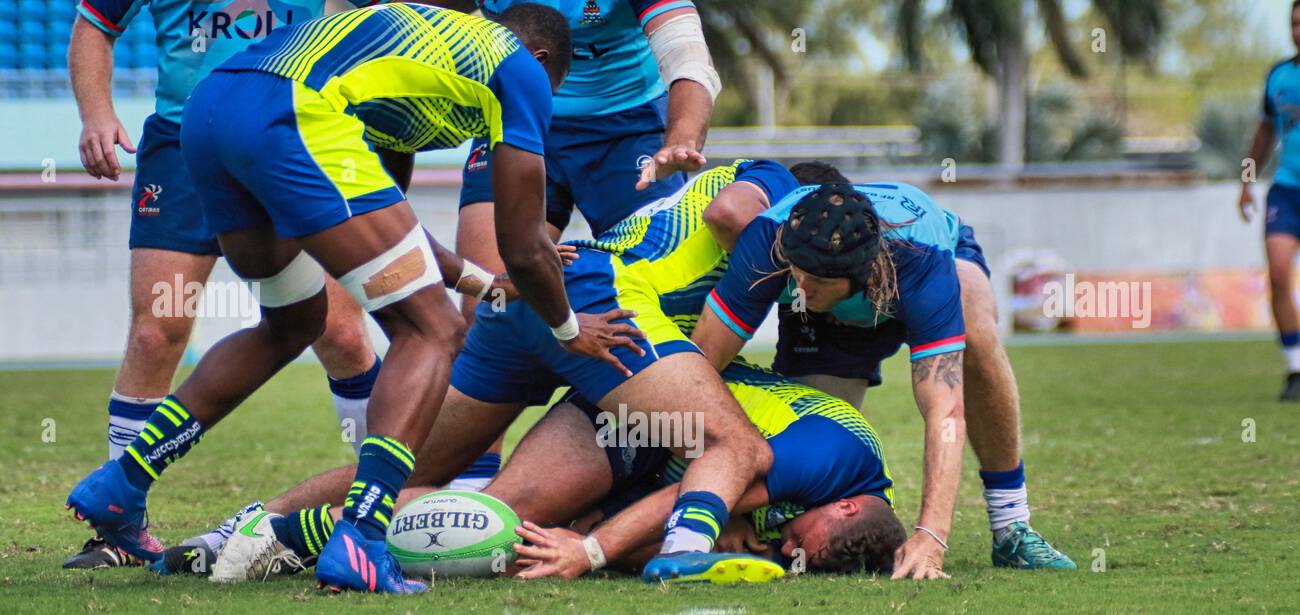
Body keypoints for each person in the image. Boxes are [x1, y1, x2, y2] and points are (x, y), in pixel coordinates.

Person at [66, 3, 636, 595]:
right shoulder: (520, 67)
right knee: (435, 331)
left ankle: (122, 483)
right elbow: (523, 243)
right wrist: (568, 328)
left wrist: (481, 283)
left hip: (213, 110)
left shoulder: (420, 68)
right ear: (543, 60)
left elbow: (395, 226)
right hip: (286, 113)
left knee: (293, 322)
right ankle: (361, 538)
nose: (540, 109)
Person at [204, 159, 801, 585]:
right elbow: (731, 216)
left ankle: (245, 531)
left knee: (411, 465)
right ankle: (684, 557)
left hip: (530, 299)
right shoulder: (782, 186)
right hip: (598, 302)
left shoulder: (696, 200)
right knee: (733, 444)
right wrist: (773, 278)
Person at [64, 0, 384, 569]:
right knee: (156, 332)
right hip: (181, 143)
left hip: (290, 134)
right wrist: (96, 114)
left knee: (341, 333)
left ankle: (378, 509)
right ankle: (120, 525)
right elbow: (95, 24)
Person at [691, 179, 1076, 579]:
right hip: (826, 317)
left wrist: (933, 535)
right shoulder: (768, 243)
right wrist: (727, 506)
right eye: (796, 274)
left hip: (929, 265)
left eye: (817, 281)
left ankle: (1011, 525)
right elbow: (697, 377)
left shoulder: (920, 262)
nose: (800, 289)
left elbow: (945, 410)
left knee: (974, 327)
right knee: (807, 439)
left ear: (864, 274)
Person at [445, 0, 720, 491]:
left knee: (667, 311)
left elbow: (688, 56)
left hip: (629, 126)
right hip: (518, 114)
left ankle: (660, 475)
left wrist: (679, 139)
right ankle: (468, 492)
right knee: (485, 303)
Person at [507, 360, 907, 580]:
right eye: (798, 544)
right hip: (636, 416)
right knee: (503, 519)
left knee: (525, 550)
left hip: (664, 466)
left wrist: (733, 518)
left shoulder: (849, 534)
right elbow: (690, 494)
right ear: (846, 507)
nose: (787, 551)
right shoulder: (836, 454)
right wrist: (589, 553)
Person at [1240, 0, 1300, 402]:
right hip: (1287, 189)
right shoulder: (1278, 76)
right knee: (1278, 275)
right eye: (1295, 23)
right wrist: (1246, 181)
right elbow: (1264, 134)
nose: (1299, 30)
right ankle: (1296, 368)